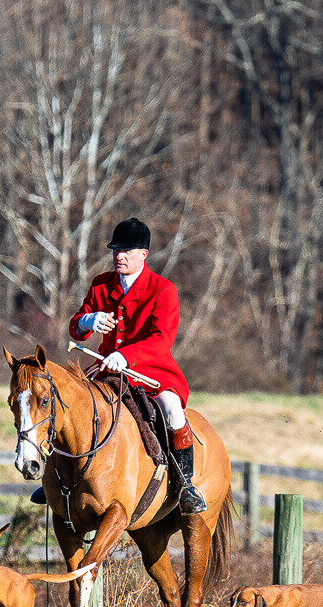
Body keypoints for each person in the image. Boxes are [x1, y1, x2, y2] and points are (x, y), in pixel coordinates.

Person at [32, 217, 207, 515]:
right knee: (68, 404)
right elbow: (76, 330)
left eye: (126, 250)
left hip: (151, 373)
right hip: (107, 371)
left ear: (144, 254)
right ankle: (56, 478)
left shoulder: (163, 290)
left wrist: (127, 356)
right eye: (116, 250)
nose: (119, 256)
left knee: (172, 411)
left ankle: (186, 483)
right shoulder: (101, 284)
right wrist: (88, 320)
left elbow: (162, 339)